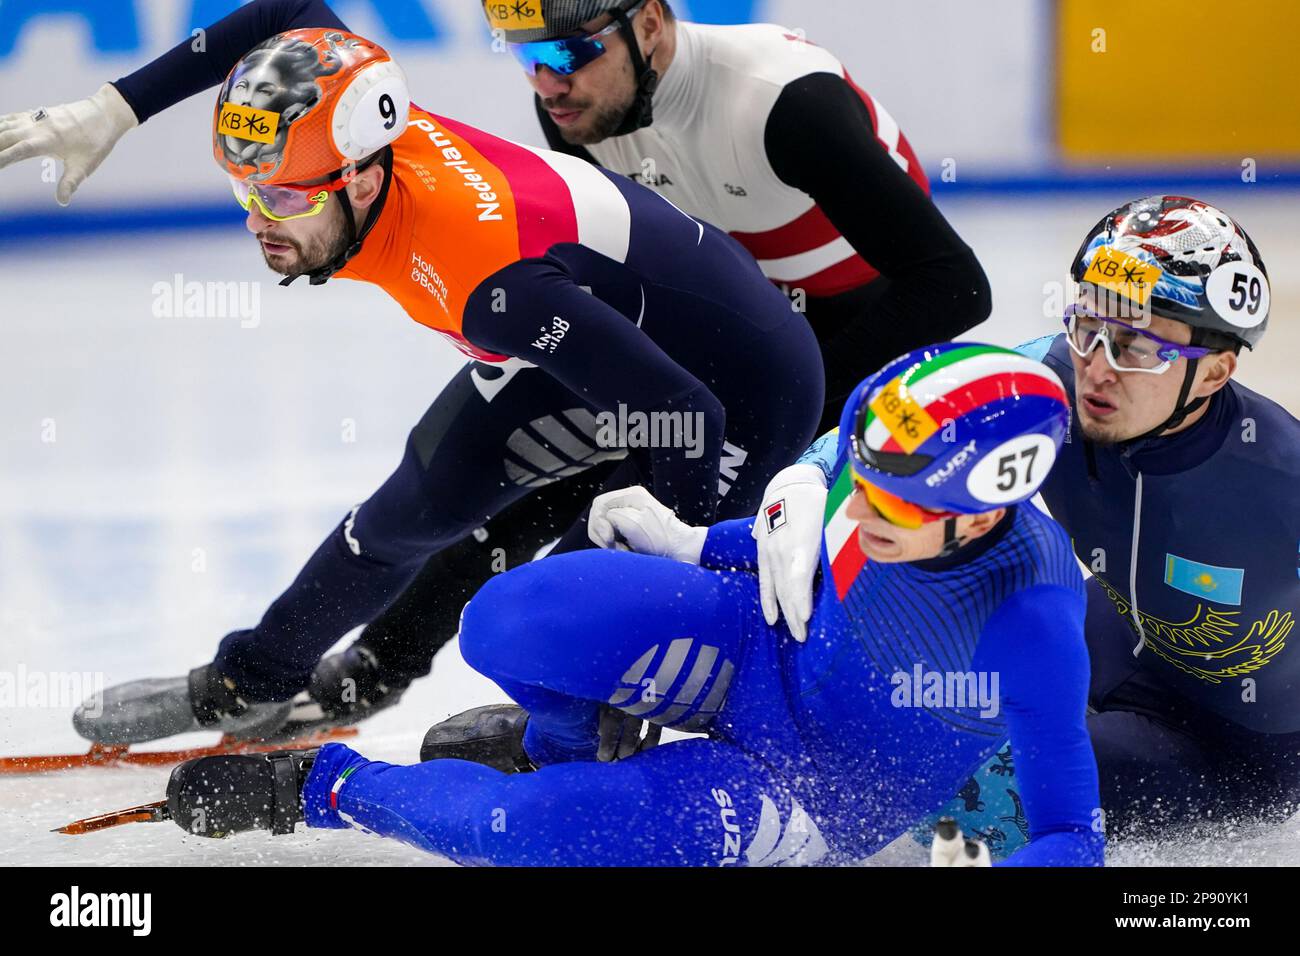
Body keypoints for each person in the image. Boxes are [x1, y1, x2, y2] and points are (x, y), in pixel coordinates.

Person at [0, 21, 824, 743]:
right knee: (409, 510)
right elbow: (286, 13)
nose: (257, 219)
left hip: (742, 389)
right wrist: (115, 108)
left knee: (561, 605)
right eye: (243, 188)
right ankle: (250, 680)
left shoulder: (487, 280)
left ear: (360, 180)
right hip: (602, 338)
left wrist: (631, 621)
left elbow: (686, 413)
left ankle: (572, 714)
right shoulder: (350, 114)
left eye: (282, 196)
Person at [161, 344, 1104, 867]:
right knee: (507, 618)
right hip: (761, 642)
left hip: (810, 792)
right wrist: (696, 544)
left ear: (982, 516)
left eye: (892, 504)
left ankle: (321, 788)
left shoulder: (1033, 623)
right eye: (862, 475)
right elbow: (811, 539)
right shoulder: (898, 454)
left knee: (526, 838)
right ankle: (559, 750)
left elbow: (1070, 836)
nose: (857, 505)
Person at [354, 0, 998, 706]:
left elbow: (954, 288)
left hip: (846, 336)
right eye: (525, 57)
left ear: (651, 25)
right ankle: (374, 669)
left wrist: (802, 400)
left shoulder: (785, 103)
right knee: (524, 471)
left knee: (627, 519)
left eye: (568, 55)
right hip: (715, 329)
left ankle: (558, 711)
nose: (547, 84)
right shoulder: (580, 105)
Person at [754, 195, 1300, 853]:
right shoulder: (1052, 380)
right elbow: (912, 411)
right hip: (1120, 638)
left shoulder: (1277, 476)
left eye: (1135, 347)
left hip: (1236, 744)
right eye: (1087, 328)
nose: (1096, 368)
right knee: (892, 644)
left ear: (1213, 371)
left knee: (964, 795)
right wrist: (805, 478)